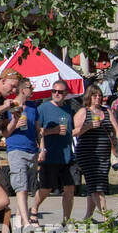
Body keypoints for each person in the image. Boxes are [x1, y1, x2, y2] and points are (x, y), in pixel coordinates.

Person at [73, 87, 118, 220]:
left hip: (103, 155)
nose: (97, 98)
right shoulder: (83, 111)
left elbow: (116, 129)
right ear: (88, 97)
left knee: (96, 185)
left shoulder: (107, 111)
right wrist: (89, 126)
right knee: (97, 187)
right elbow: (73, 132)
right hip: (88, 154)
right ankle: (106, 218)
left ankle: (87, 217)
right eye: (94, 96)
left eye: (99, 95)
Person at [32, 81, 81, 223]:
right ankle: (34, 209)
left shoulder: (68, 109)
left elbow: (71, 131)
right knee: (47, 188)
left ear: (66, 94)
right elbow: (37, 131)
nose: (56, 94)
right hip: (50, 154)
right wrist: (52, 131)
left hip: (67, 155)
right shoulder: (43, 108)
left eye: (60, 92)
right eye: (54, 91)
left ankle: (67, 220)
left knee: (70, 188)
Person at [2, 79, 41, 230]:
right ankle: (26, 222)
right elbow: (4, 132)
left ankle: (19, 216)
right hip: (15, 147)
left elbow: (37, 129)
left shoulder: (32, 107)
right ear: (22, 89)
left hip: (32, 149)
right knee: (21, 186)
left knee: (29, 186)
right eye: (30, 87)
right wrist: (15, 124)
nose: (33, 89)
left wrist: (41, 146)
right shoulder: (10, 106)